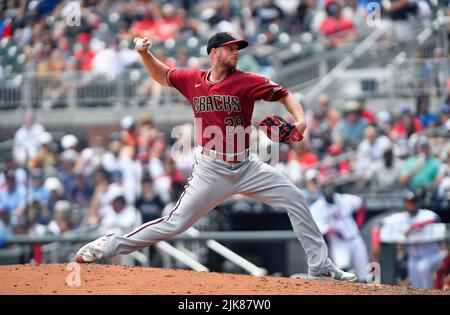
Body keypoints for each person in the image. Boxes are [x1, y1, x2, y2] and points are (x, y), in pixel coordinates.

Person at [76, 32, 357, 282]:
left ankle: (320, 266)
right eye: (230, 48)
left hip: (247, 166)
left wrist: (300, 120)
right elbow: (162, 76)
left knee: (295, 199)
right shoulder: (193, 80)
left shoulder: (246, 82)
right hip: (211, 169)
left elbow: (284, 94)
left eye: (237, 49)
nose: (236, 53)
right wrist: (144, 53)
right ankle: (106, 246)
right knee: (174, 223)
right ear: (214, 53)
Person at [371, 190, 443, 289]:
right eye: (408, 202)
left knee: (426, 281)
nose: (410, 205)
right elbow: (379, 225)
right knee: (416, 288)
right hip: (412, 259)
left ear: (418, 202)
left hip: (430, 256)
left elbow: (436, 219)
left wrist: (415, 226)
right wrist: (375, 243)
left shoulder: (426, 214)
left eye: (413, 202)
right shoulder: (401, 217)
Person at [309, 186, 369, 281]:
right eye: (328, 194)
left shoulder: (343, 199)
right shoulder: (318, 207)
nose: (331, 196)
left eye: (331, 193)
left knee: (364, 273)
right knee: (342, 270)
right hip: (338, 242)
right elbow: (315, 226)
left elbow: (361, 203)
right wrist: (332, 229)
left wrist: (359, 223)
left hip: (355, 239)